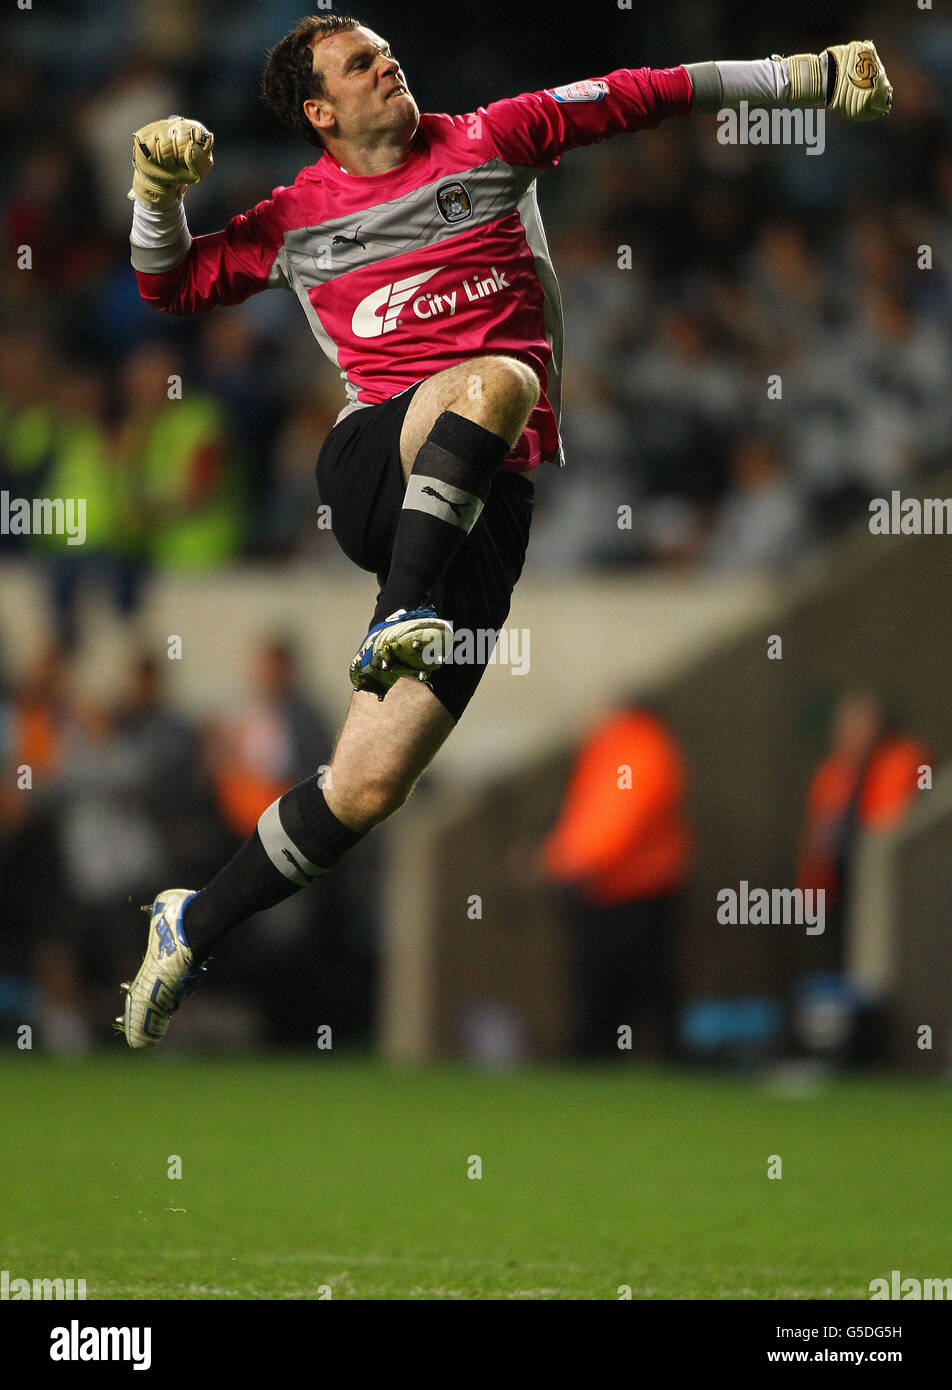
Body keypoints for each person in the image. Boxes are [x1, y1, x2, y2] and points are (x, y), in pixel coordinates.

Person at [116, 15, 892, 1048]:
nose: (388, 63)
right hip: (377, 469)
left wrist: (803, 76)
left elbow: (642, 90)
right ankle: (398, 613)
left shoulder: (492, 138)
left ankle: (192, 920)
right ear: (319, 111)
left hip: (485, 500)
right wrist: (158, 197)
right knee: (500, 380)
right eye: (359, 64)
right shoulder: (296, 215)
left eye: (388, 49)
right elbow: (166, 285)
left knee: (368, 783)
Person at [543, 705, 692, 1058]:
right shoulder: (615, 747)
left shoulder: (633, 746)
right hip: (615, 890)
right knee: (629, 989)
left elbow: (619, 816)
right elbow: (589, 815)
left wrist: (570, 861)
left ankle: (656, 1056)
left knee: (632, 989)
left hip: (634, 892)